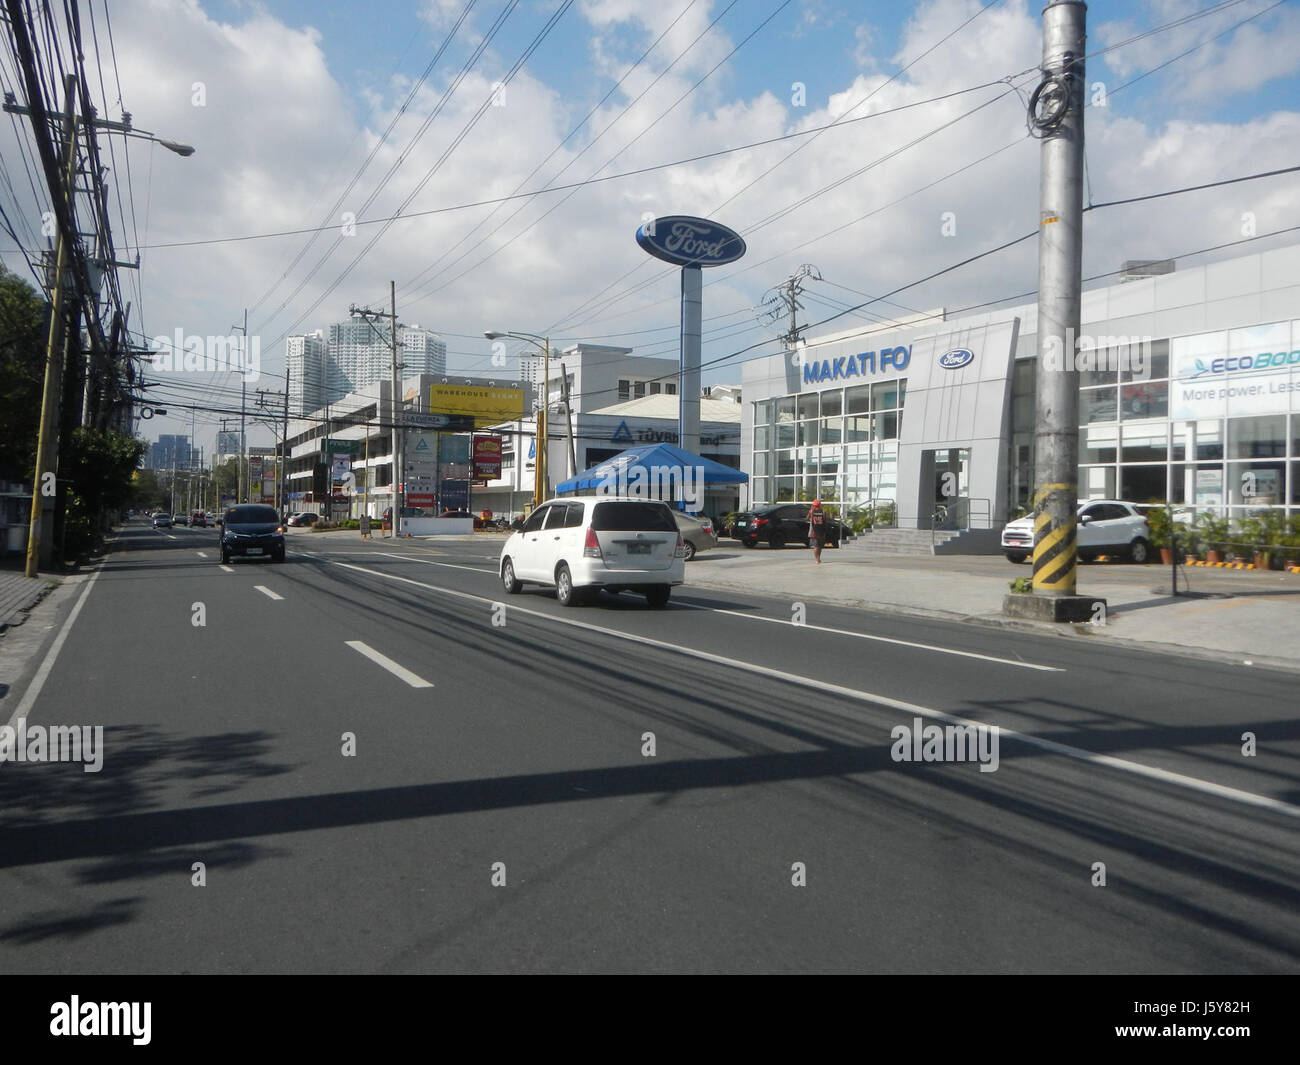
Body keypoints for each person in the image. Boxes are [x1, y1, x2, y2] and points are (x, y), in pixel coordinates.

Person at [808, 499, 827, 564]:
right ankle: (818, 558)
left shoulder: (811, 511)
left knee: (815, 545)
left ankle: (817, 559)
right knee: (819, 545)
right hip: (821, 530)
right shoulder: (823, 511)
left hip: (813, 531)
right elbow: (825, 521)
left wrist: (810, 511)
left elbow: (807, 518)